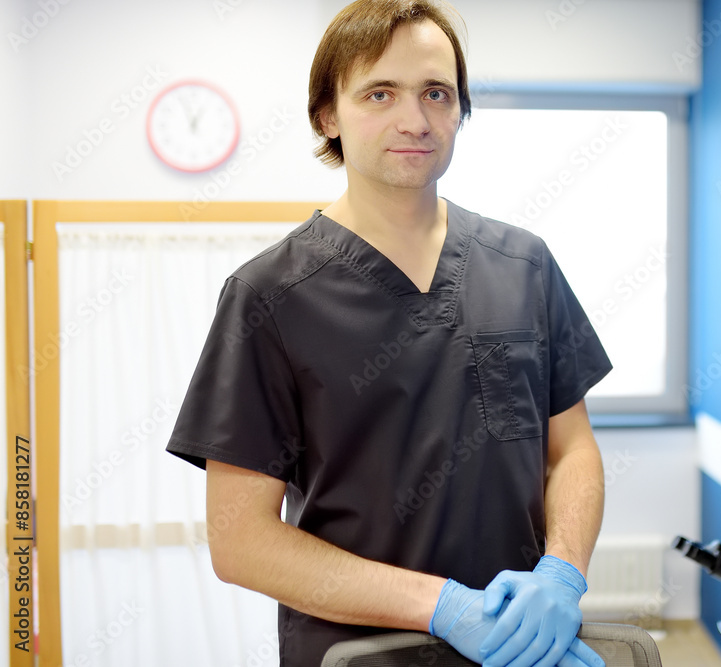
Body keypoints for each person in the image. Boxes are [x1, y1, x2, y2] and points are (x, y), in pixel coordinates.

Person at [165, 1, 613, 665]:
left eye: (436, 93)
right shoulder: (269, 297)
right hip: (361, 653)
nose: (415, 120)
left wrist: (562, 571)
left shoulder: (525, 265)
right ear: (327, 115)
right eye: (380, 93)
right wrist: (443, 606)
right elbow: (241, 541)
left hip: (522, 650)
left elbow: (571, 449)